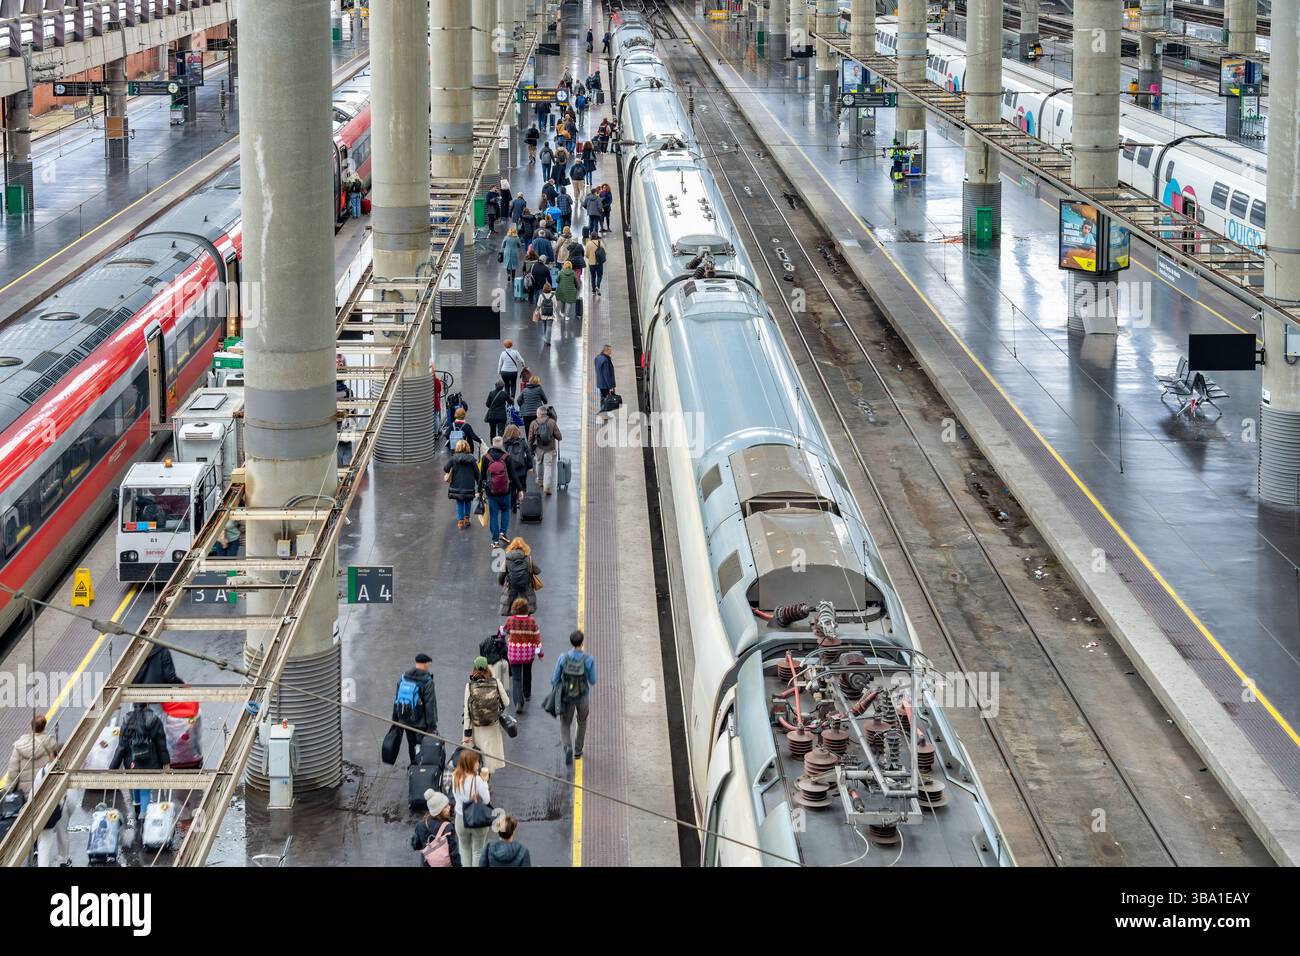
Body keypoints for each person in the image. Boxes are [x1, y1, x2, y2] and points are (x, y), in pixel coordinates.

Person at [109, 702, 171, 824]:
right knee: (145, 789)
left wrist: (113, 766)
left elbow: (122, 746)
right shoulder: (154, 720)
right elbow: (161, 744)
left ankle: (136, 811)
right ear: (147, 704)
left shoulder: (127, 720)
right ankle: (144, 818)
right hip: (150, 763)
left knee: (135, 786)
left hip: (132, 763)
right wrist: (166, 763)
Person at [552, 629, 596, 765]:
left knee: (565, 723)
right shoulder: (588, 659)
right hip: (583, 696)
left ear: (571, 642)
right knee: (582, 722)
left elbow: (555, 679)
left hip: (567, 696)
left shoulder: (563, 658)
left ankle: (567, 747)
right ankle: (578, 750)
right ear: (582, 643)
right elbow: (593, 680)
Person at [462, 657, 509, 772]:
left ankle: (481, 781)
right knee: (490, 755)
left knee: (478, 755)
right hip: (492, 724)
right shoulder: (496, 682)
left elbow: (467, 712)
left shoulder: (470, 687)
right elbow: (506, 702)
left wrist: (466, 734)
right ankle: (487, 780)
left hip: (477, 727)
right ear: (487, 668)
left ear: (474, 669)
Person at [450, 747, 494, 868]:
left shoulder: (455, 777)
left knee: (464, 849)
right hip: (477, 819)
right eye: (476, 761)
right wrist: (485, 781)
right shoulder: (478, 780)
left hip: (460, 818)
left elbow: (455, 796)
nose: (478, 764)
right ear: (470, 764)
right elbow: (486, 800)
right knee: (478, 852)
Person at [392, 653, 439, 764]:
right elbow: (429, 705)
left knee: (411, 744)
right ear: (426, 664)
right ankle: (420, 768)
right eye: (428, 663)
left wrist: (395, 718)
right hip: (421, 723)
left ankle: (413, 765)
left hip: (406, 719)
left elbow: (397, 698)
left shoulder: (404, 677)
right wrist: (432, 727)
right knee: (422, 745)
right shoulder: (427, 681)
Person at [480, 436, 525, 545]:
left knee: (494, 515)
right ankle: (503, 533)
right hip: (505, 491)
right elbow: (513, 475)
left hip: (491, 492)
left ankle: (495, 541)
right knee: (505, 510)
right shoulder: (506, 457)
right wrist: (520, 489)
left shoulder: (486, 458)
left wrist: (479, 491)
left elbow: (481, 477)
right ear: (501, 445)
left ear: (492, 443)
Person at [504, 597, 543, 714]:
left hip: (514, 654)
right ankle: (527, 694)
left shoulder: (510, 620)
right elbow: (537, 639)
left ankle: (519, 702)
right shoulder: (532, 622)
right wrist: (540, 653)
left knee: (516, 679)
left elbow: (503, 632)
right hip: (528, 654)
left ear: (514, 608)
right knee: (527, 672)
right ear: (526, 609)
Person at [5, 715, 57, 798]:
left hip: (25, 793)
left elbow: (13, 772)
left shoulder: (20, 745)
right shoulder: (50, 743)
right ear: (44, 727)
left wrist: (7, 791)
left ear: (31, 726)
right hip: (44, 789)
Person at [412, 789, 461, 867]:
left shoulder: (420, 825)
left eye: (448, 805)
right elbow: (454, 854)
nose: (449, 807)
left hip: (427, 863)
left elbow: (415, 845)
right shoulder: (447, 827)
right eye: (445, 807)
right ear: (439, 810)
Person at [443, 439, 480, 530]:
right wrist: (479, 485)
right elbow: (477, 474)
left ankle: (460, 522)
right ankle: (467, 519)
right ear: (467, 447)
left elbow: (445, 468)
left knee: (459, 503)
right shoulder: (471, 459)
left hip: (456, 485)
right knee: (468, 501)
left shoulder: (453, 458)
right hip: (469, 485)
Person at [498, 537, 540, 615]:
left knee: (511, 607)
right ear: (525, 547)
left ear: (511, 547)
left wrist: (502, 583)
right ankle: (525, 623)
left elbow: (500, 575)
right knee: (526, 608)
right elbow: (537, 571)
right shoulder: (528, 558)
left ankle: (512, 624)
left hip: (511, 587)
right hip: (525, 587)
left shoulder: (507, 559)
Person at [528, 405, 563, 495]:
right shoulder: (552, 422)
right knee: (548, 466)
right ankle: (547, 486)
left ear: (539, 413)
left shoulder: (534, 423)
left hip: (538, 447)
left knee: (539, 462)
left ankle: (540, 480)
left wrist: (529, 448)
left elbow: (530, 437)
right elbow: (559, 436)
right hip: (549, 447)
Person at [501, 423, 533, 512]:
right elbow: (529, 454)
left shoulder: (506, 444)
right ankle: (523, 503)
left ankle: (513, 507)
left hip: (511, 469)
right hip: (522, 468)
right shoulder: (522, 441)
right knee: (523, 486)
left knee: (512, 488)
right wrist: (530, 466)